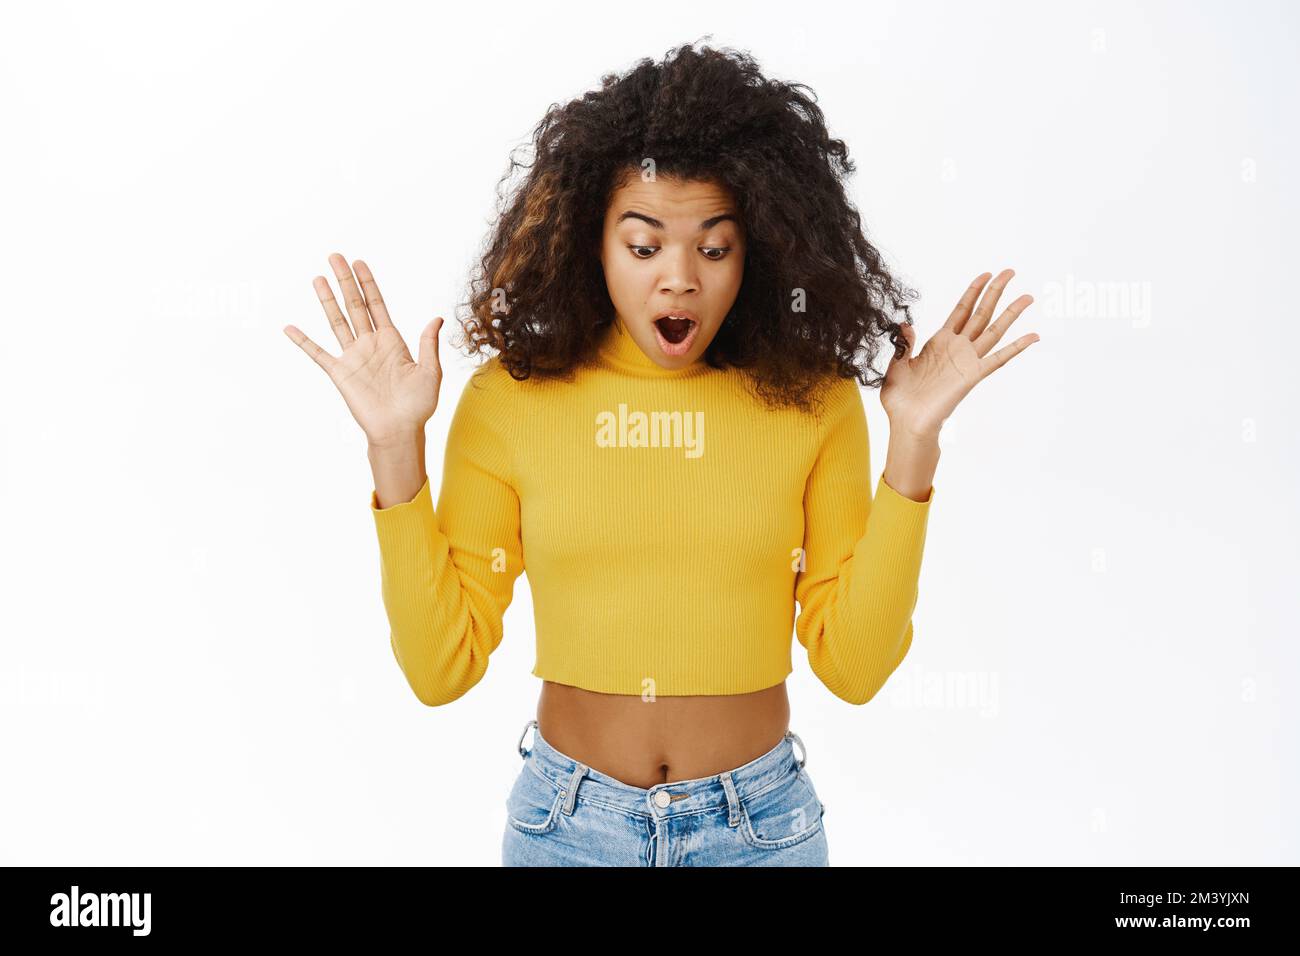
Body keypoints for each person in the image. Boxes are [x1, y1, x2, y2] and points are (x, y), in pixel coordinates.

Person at [283, 42, 1038, 866]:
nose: (679, 280)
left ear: (759, 249)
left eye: (713, 249)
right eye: (644, 247)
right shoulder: (513, 400)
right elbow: (439, 668)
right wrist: (395, 448)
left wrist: (914, 443)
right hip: (568, 830)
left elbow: (854, 667)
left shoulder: (812, 402)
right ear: (592, 246)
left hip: (761, 831)